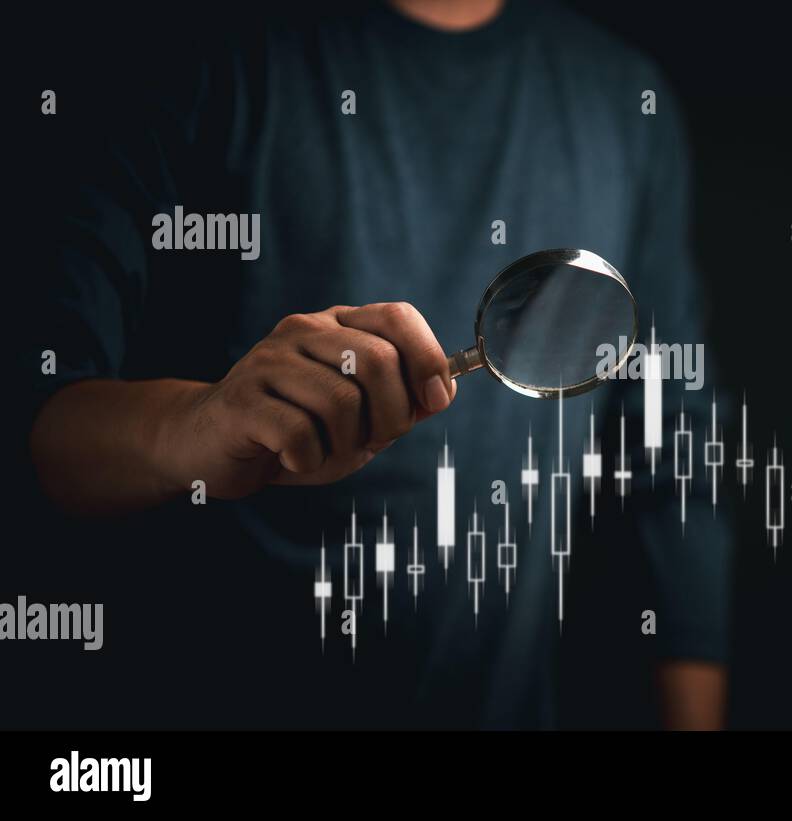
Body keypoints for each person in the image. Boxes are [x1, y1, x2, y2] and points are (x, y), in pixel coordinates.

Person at [26, 0, 730, 729]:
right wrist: (194, 424)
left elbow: (673, 458)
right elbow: (35, 418)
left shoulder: (623, 97)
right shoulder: (196, 52)